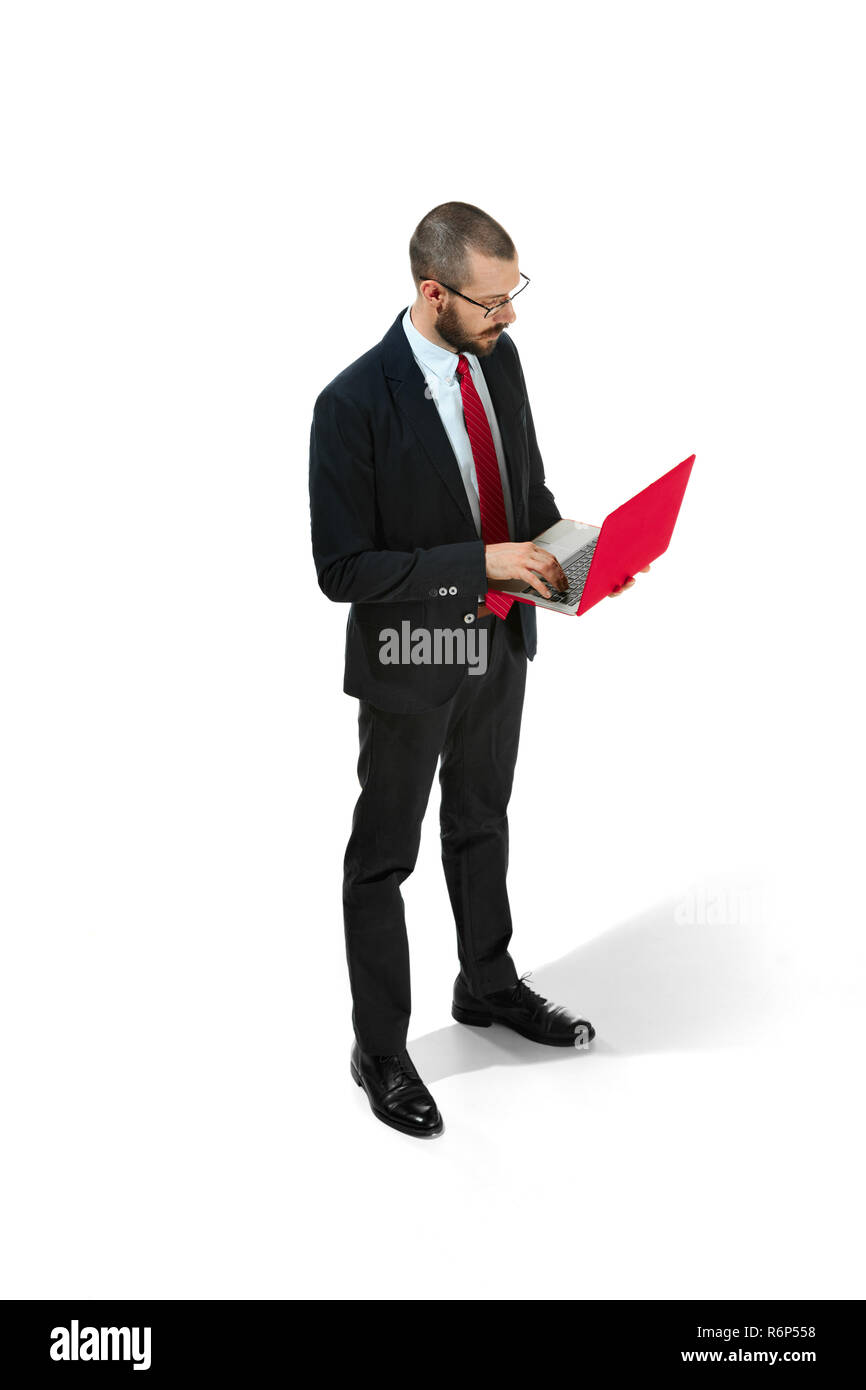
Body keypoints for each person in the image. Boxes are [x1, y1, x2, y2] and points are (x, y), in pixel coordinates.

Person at [308, 202, 644, 1140]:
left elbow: (524, 497)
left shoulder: (500, 360)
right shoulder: (351, 404)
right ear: (432, 292)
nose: (509, 318)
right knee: (384, 858)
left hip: (499, 639)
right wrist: (478, 562)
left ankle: (485, 983)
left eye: (514, 295)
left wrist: (582, 560)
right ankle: (379, 1048)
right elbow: (342, 571)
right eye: (491, 302)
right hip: (414, 657)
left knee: (482, 819)